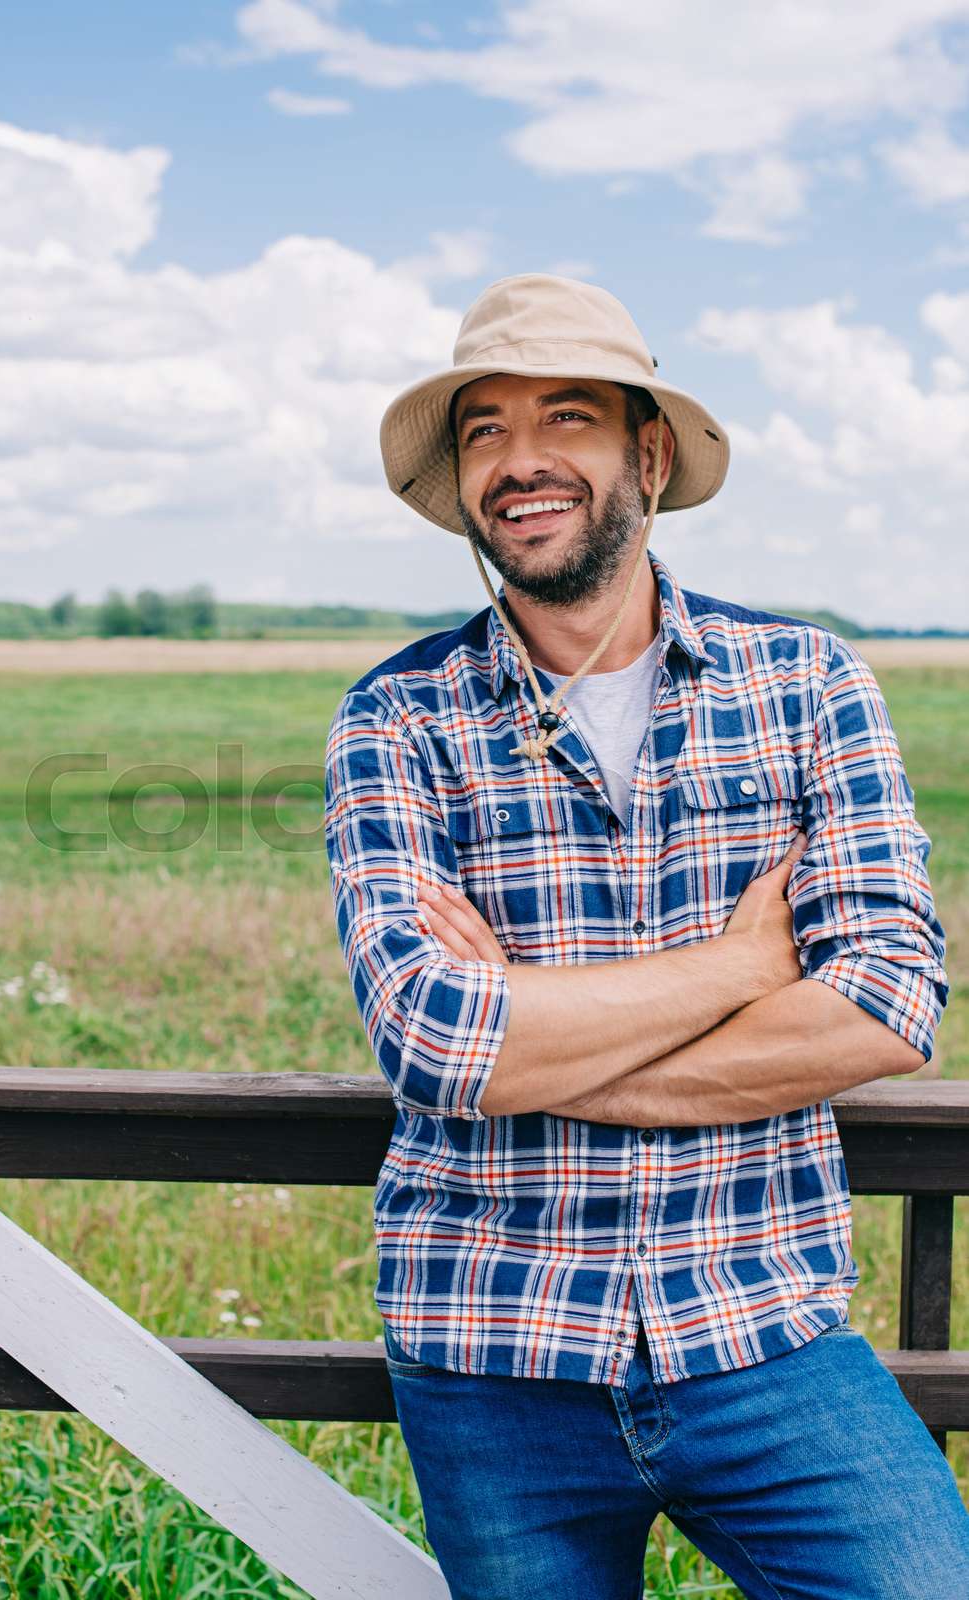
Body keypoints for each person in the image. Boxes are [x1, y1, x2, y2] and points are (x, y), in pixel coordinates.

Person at [323, 274, 968, 1598]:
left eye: (568, 416)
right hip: (492, 1349)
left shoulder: (807, 682)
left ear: (649, 455)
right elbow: (443, 1047)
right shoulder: (398, 718)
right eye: (485, 429)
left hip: (765, 1329)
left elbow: (890, 1001)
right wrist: (738, 971)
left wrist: (539, 1040)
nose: (522, 459)